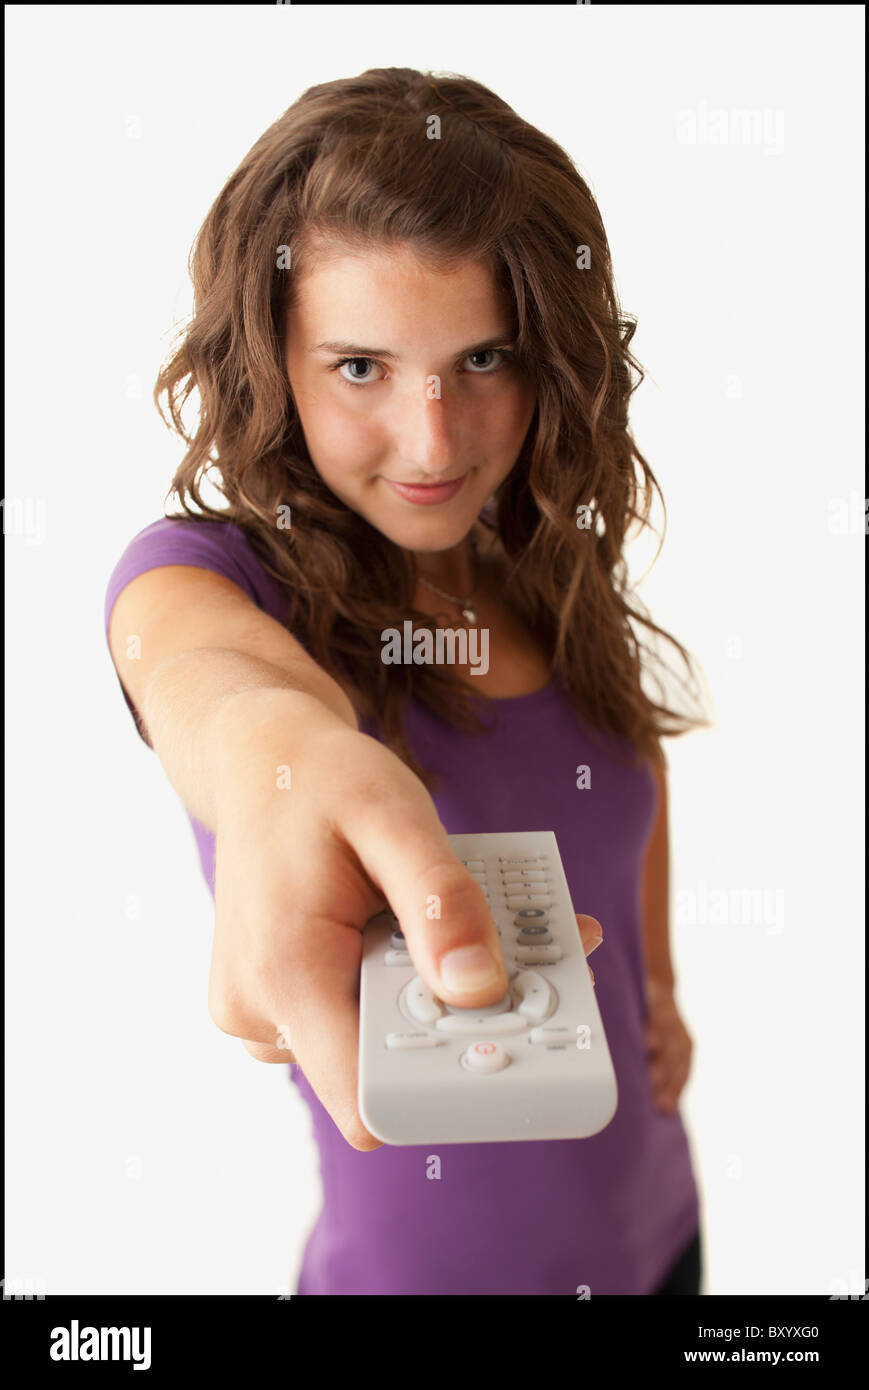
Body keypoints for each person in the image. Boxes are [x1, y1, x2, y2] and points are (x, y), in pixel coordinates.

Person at [104, 67, 711, 1296]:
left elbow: (622, 786)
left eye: (481, 356)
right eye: (361, 368)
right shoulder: (215, 580)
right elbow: (202, 676)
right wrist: (280, 737)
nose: (435, 441)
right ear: (272, 363)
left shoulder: (542, 560)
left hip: (659, 1247)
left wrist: (659, 988)